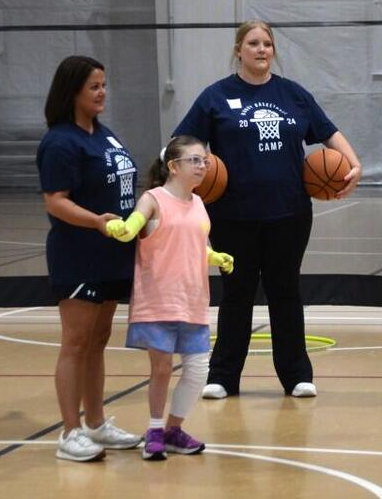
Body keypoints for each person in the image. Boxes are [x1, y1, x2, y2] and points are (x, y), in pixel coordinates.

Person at [173, 20, 362, 398]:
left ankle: (296, 376)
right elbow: (181, 142)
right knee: (237, 294)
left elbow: (328, 131)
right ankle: (222, 376)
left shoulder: (293, 94)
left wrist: (353, 162)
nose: (261, 50)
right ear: (238, 50)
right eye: (253, 43)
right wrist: (194, 169)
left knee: (285, 291)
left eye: (267, 44)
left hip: (289, 213)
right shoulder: (216, 96)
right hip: (231, 215)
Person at [37, 55, 143, 461]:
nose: (102, 92)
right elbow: (56, 202)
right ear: (73, 92)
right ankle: (69, 433)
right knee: (76, 342)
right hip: (79, 253)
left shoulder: (104, 135)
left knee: (99, 340)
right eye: (94, 86)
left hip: (113, 253)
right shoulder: (61, 141)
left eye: (104, 85)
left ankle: (96, 424)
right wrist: (96, 222)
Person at [107, 135, 234, 460]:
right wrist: (127, 227)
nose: (203, 166)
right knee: (161, 368)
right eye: (195, 160)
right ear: (174, 166)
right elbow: (136, 224)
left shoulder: (199, 204)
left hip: (193, 301)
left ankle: (174, 428)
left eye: (204, 160)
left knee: (197, 370)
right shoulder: (153, 198)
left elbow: (196, 244)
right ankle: (153, 430)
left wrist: (214, 256)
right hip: (157, 301)